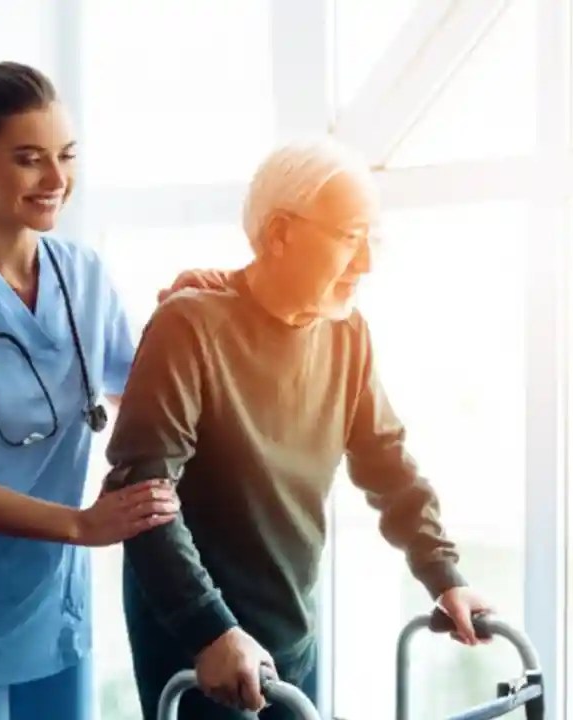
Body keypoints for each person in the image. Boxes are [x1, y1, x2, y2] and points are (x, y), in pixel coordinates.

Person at [104, 136, 494, 719]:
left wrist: (443, 575)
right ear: (281, 233)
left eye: (372, 238)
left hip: (292, 630)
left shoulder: (347, 334)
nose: (366, 262)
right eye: (348, 237)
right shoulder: (189, 326)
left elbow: (386, 462)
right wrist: (210, 629)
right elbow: (142, 493)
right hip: (202, 644)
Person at [0, 61, 216, 719]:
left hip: (51, 614)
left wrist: (190, 309)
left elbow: (144, 388)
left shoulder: (81, 271)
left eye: (66, 156)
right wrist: (81, 525)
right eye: (30, 159)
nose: (57, 180)